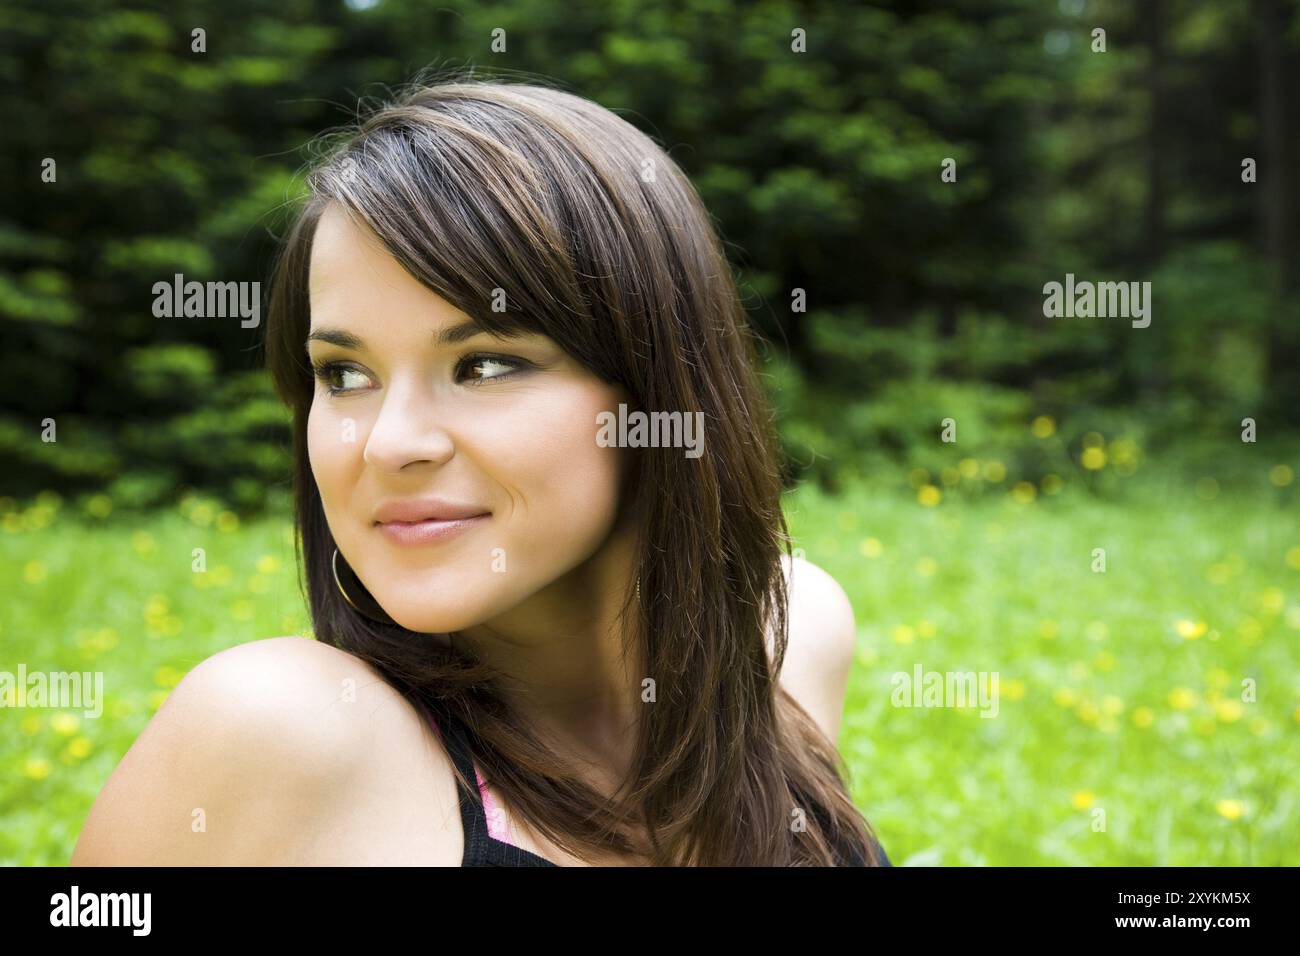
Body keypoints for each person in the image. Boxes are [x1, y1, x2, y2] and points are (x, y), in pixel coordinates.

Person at [71, 75, 890, 867]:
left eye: (486, 366)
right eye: (344, 375)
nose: (390, 444)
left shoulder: (793, 634)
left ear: (658, 387)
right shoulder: (282, 731)